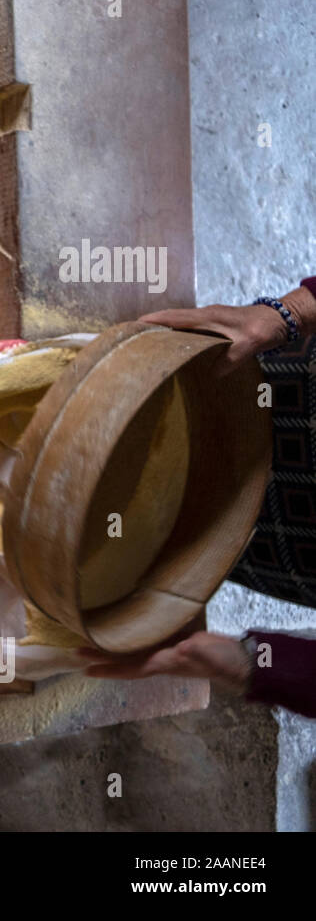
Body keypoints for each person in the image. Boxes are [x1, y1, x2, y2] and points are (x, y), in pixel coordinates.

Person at [79, 278, 316, 719]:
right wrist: (295, 312)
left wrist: (259, 665)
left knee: (159, 534)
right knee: (155, 406)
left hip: (293, 540)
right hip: (296, 392)